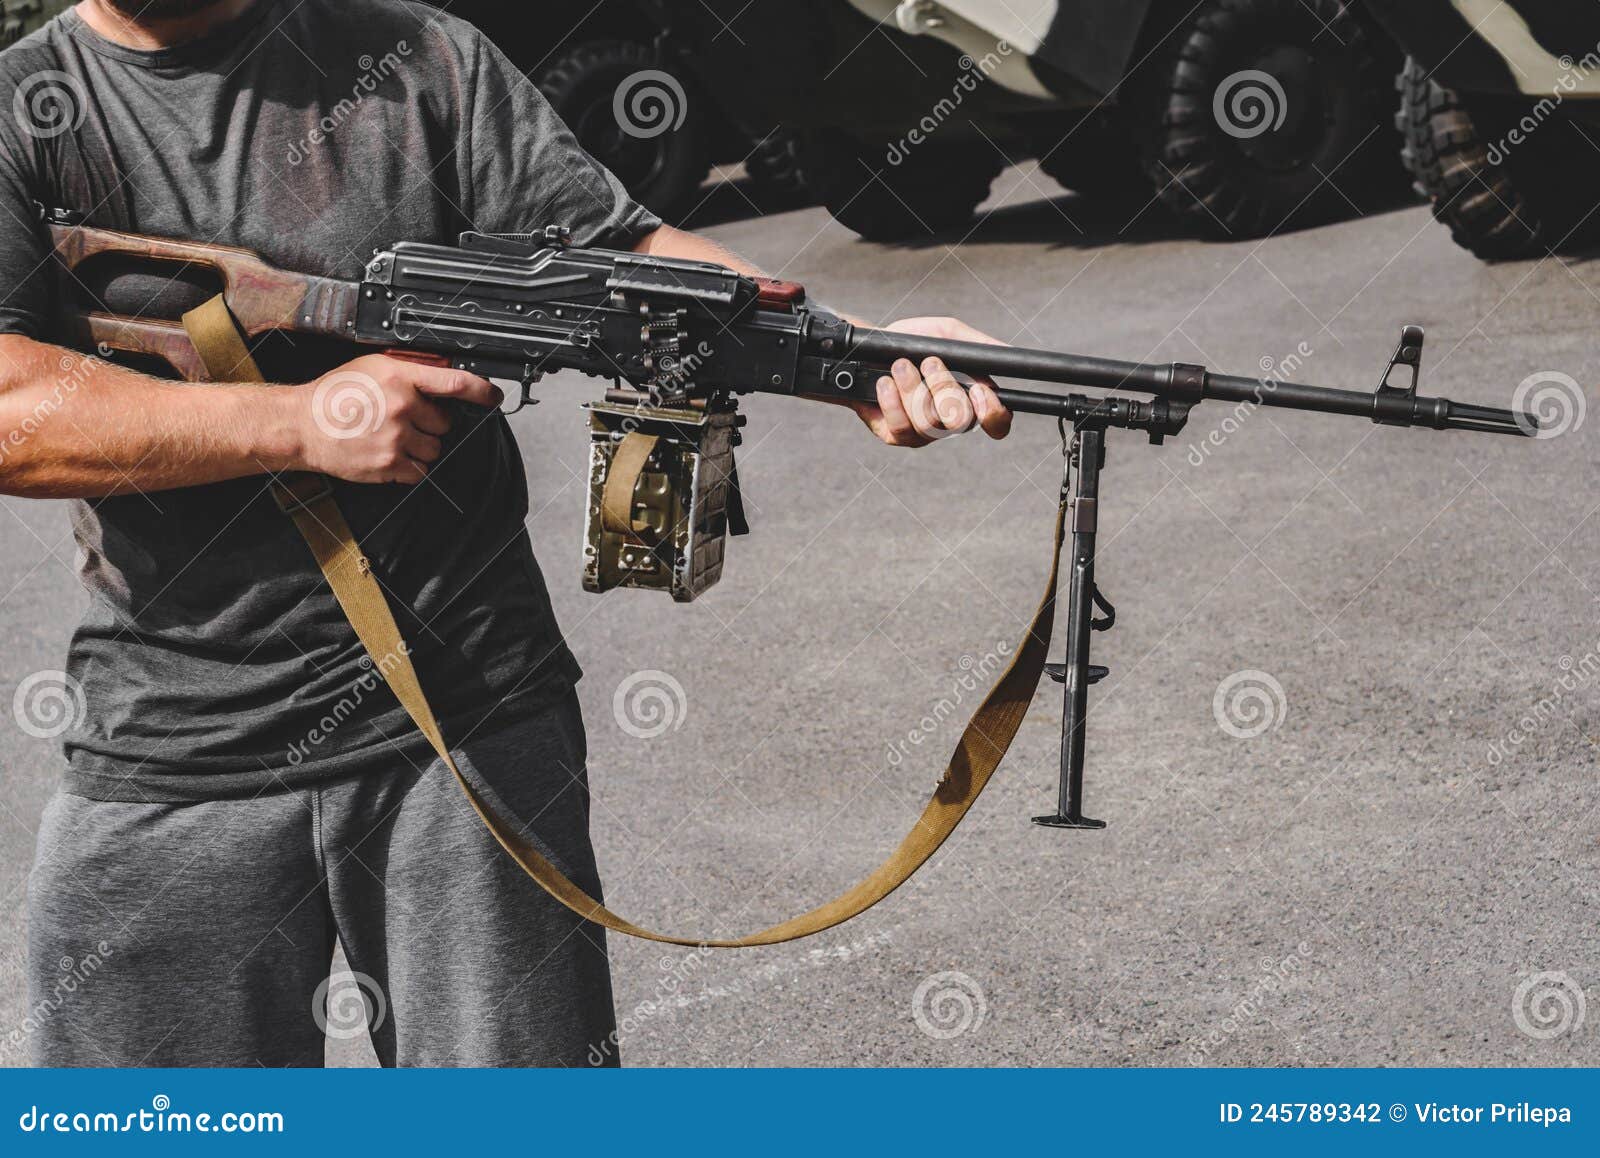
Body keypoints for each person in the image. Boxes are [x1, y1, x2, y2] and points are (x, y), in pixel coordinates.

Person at [0, 0, 1012, 1067]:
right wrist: (301, 422)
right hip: (173, 737)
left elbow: (626, 258)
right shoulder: (27, 109)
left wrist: (851, 357)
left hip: (470, 715)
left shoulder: (417, 58)